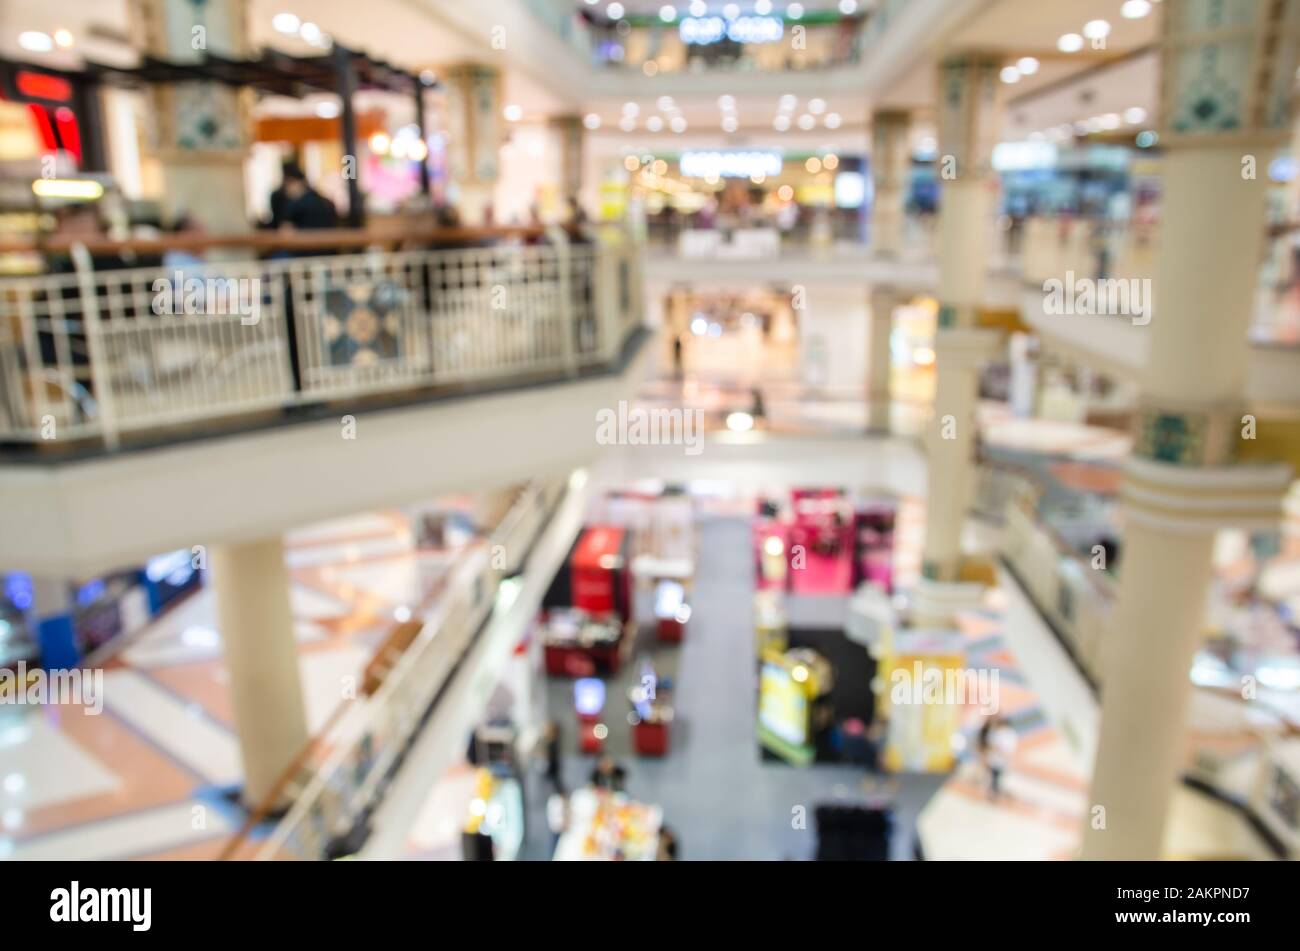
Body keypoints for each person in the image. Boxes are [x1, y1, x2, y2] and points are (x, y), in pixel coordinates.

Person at [980, 716, 1018, 800]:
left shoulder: (1008, 734)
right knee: (993, 777)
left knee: (997, 777)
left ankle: (994, 793)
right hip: (996, 759)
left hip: (1001, 760)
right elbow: (992, 744)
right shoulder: (998, 732)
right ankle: (993, 792)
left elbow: (1008, 748)